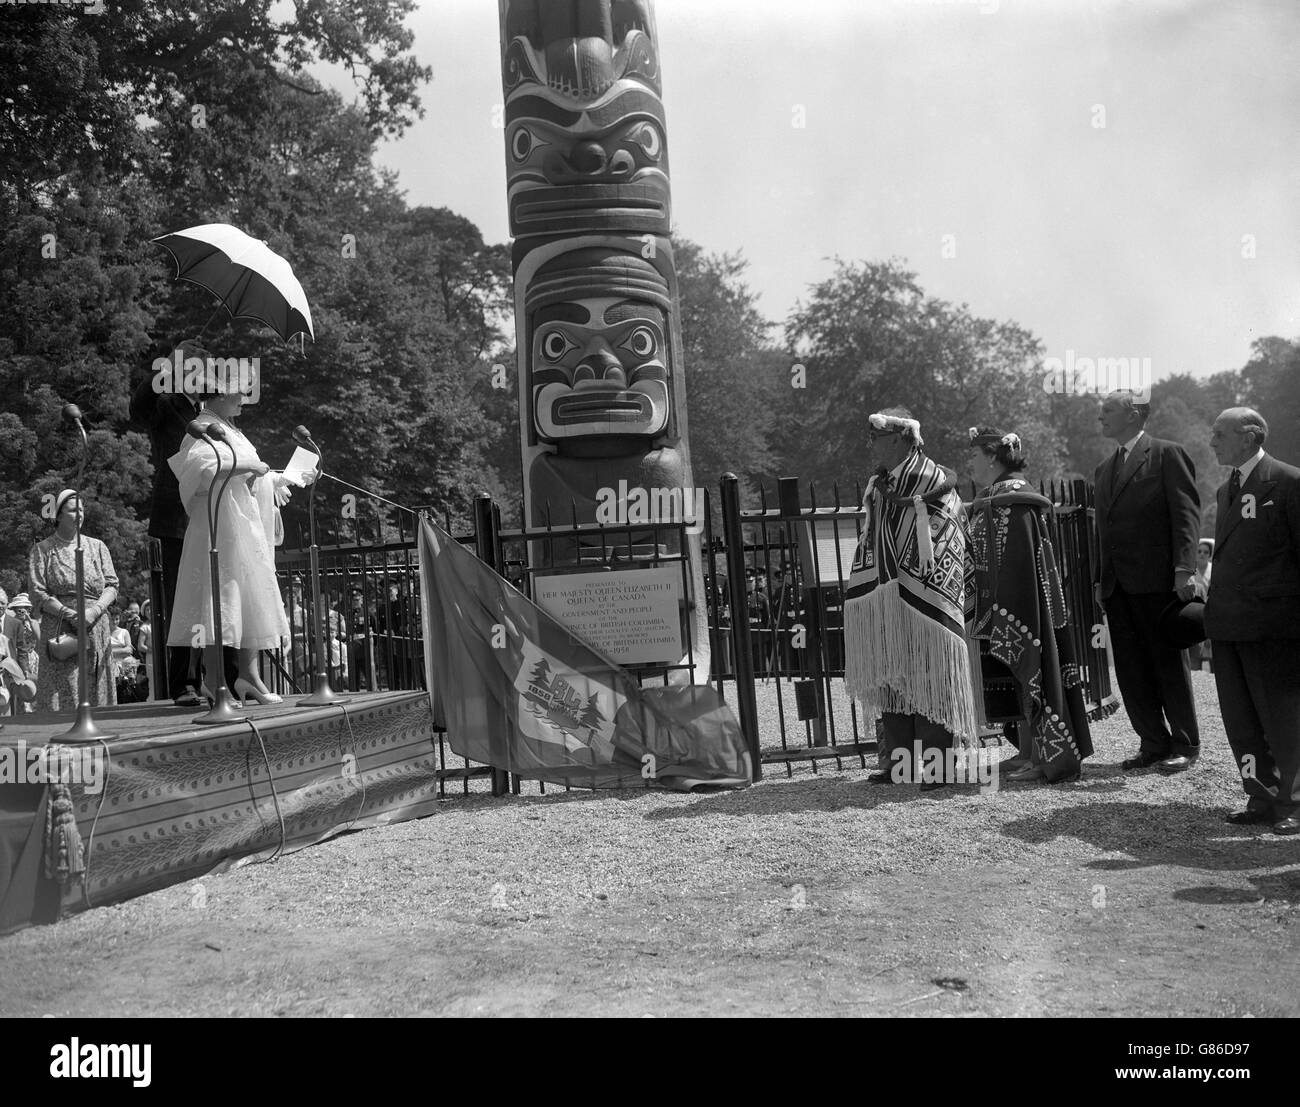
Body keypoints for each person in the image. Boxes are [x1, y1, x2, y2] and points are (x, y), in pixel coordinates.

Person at [845, 408, 978, 789]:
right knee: (891, 672)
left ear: (902, 437)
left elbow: (948, 531)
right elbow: (873, 535)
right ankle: (898, 763)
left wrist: (919, 581)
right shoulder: (881, 483)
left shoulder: (932, 479)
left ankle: (939, 766)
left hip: (927, 593)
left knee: (930, 672)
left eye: (877, 437)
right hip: (886, 591)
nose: (870, 443)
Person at [966, 427, 1093, 783]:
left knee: (1030, 667)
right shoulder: (997, 497)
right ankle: (1025, 752)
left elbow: (1021, 562)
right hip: (1006, 603)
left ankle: (1043, 757)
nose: (970, 464)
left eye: (974, 456)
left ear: (992, 457)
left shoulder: (1015, 501)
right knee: (1014, 675)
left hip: (1023, 605)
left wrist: (1010, 604)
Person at [166, 382, 295, 705]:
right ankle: (214, 679)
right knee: (219, 599)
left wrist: (275, 479)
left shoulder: (231, 429)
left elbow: (250, 473)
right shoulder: (203, 427)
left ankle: (248, 675)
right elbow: (199, 470)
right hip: (219, 528)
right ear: (221, 395)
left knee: (248, 597)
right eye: (240, 394)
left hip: (243, 526)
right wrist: (250, 467)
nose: (244, 400)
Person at [1093, 390, 1201, 773]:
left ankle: (1184, 744)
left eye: (1108, 410)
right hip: (1117, 587)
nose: (1100, 416)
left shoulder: (1167, 454)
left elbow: (1186, 515)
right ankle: (1152, 742)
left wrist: (1184, 569)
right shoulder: (1104, 468)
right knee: (1130, 668)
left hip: (1157, 583)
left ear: (1135, 414)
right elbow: (1102, 533)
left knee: (1166, 664)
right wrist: (1098, 580)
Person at [1205, 408, 1300, 835]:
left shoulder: (1288, 482)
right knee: (1241, 720)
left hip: (1273, 627)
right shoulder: (1228, 488)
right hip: (1229, 624)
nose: (1212, 442)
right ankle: (1260, 794)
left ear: (1249, 437)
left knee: (1283, 719)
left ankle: (1294, 804)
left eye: (1220, 434)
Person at [130, 342, 209, 706]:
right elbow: (138, 407)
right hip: (176, 517)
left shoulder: (209, 412)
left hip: (208, 514)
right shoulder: (165, 402)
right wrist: (165, 366)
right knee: (184, 600)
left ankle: (212, 677)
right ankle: (183, 683)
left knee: (208, 601)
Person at [28, 489, 120, 711]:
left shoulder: (97, 546)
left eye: (81, 509)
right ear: (58, 516)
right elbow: (38, 593)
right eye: (72, 510)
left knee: (96, 684)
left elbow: (112, 585)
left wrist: (94, 610)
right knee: (64, 683)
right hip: (60, 625)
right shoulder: (43, 550)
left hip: (95, 623)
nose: (79, 514)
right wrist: (70, 614)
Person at [3, 593, 40, 712]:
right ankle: (18, 711)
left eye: (25, 607)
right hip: (13, 658)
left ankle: (32, 711)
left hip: (31, 658)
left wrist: (30, 621)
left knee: (30, 687)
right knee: (16, 687)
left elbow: (39, 638)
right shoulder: (10, 623)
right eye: (18, 608)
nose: (22, 610)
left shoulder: (32, 622)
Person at [1188, 538, 1214, 671]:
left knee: (1215, 661)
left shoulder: (1215, 570)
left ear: (1210, 555)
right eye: (1199, 551)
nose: (1202, 554)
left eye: (1206, 552)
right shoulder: (1190, 571)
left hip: (1213, 616)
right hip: (1196, 617)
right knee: (1195, 659)